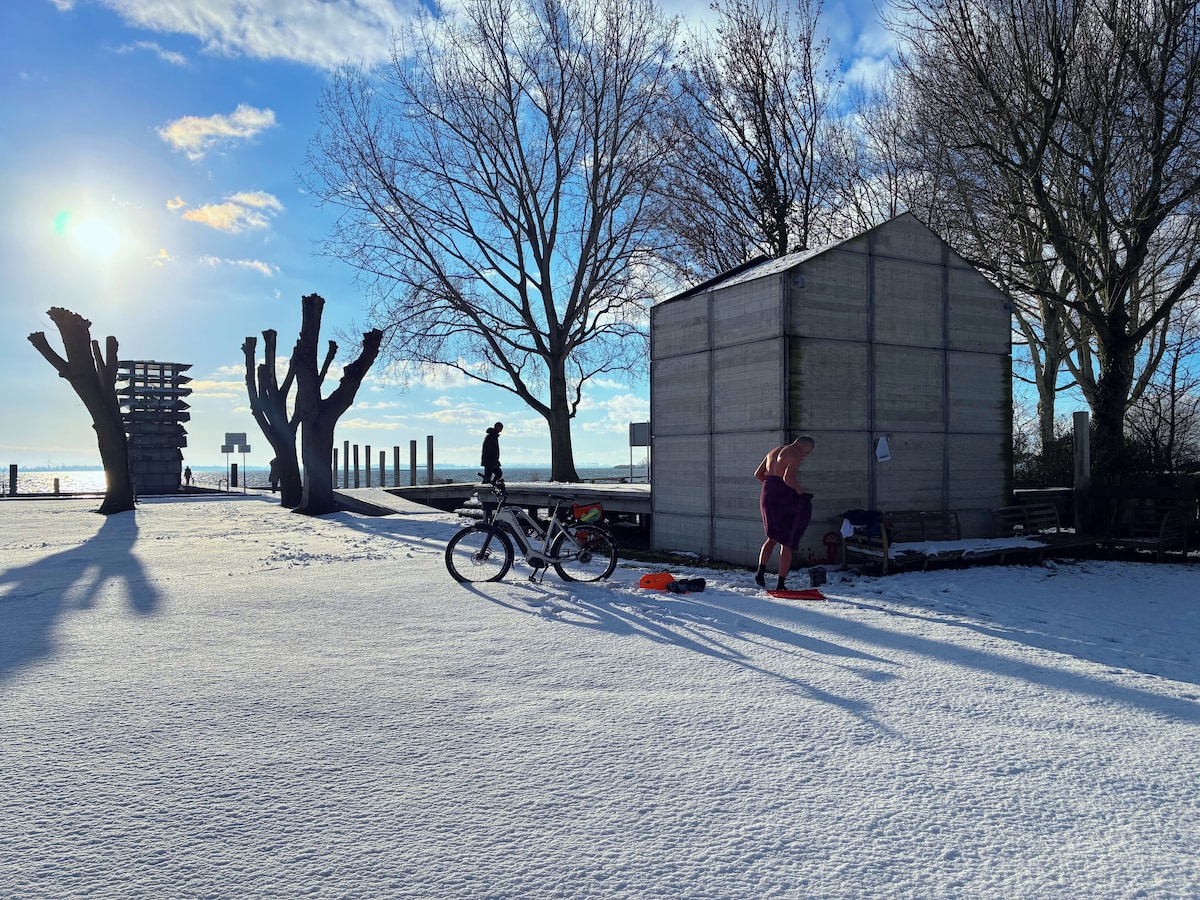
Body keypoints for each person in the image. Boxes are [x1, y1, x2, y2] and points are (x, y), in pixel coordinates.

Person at [754, 435, 816, 591]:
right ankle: (781, 583)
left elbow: (758, 474)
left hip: (767, 495)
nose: (804, 456)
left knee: (772, 537)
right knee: (787, 541)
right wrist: (798, 490)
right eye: (807, 453)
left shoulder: (773, 451)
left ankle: (760, 572)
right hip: (782, 498)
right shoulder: (794, 454)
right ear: (802, 446)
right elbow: (788, 478)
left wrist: (772, 486)